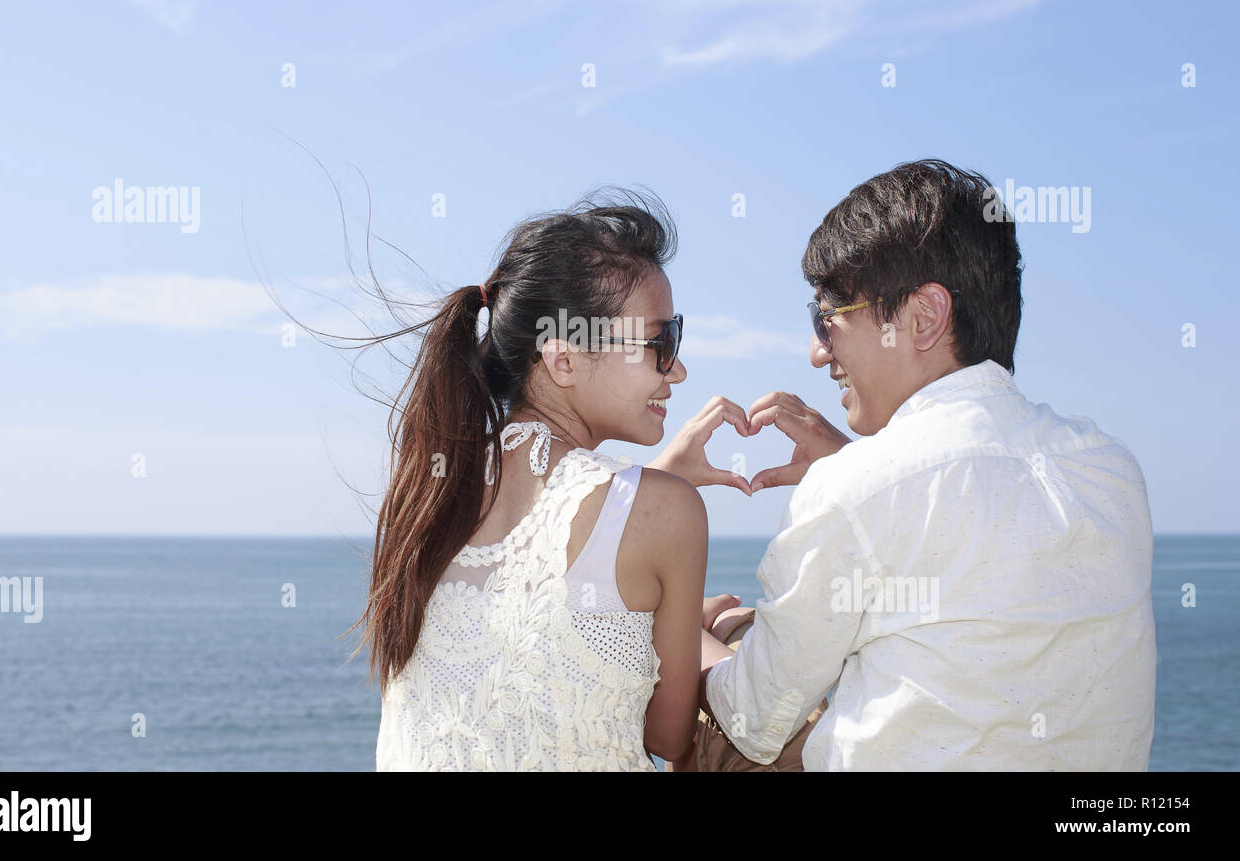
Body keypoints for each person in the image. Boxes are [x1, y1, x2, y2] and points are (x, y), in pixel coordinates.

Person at [668, 159, 1157, 770]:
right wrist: (857, 469)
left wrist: (681, 622)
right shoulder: (1111, 467)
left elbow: (753, 720)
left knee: (722, 646)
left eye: (829, 317)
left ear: (924, 318)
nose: (818, 352)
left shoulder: (860, 488)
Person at [361, 190, 715, 770]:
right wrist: (697, 632)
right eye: (660, 341)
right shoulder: (666, 513)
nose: (677, 367)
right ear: (564, 359)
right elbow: (669, 739)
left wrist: (640, 495)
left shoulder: (426, 491)